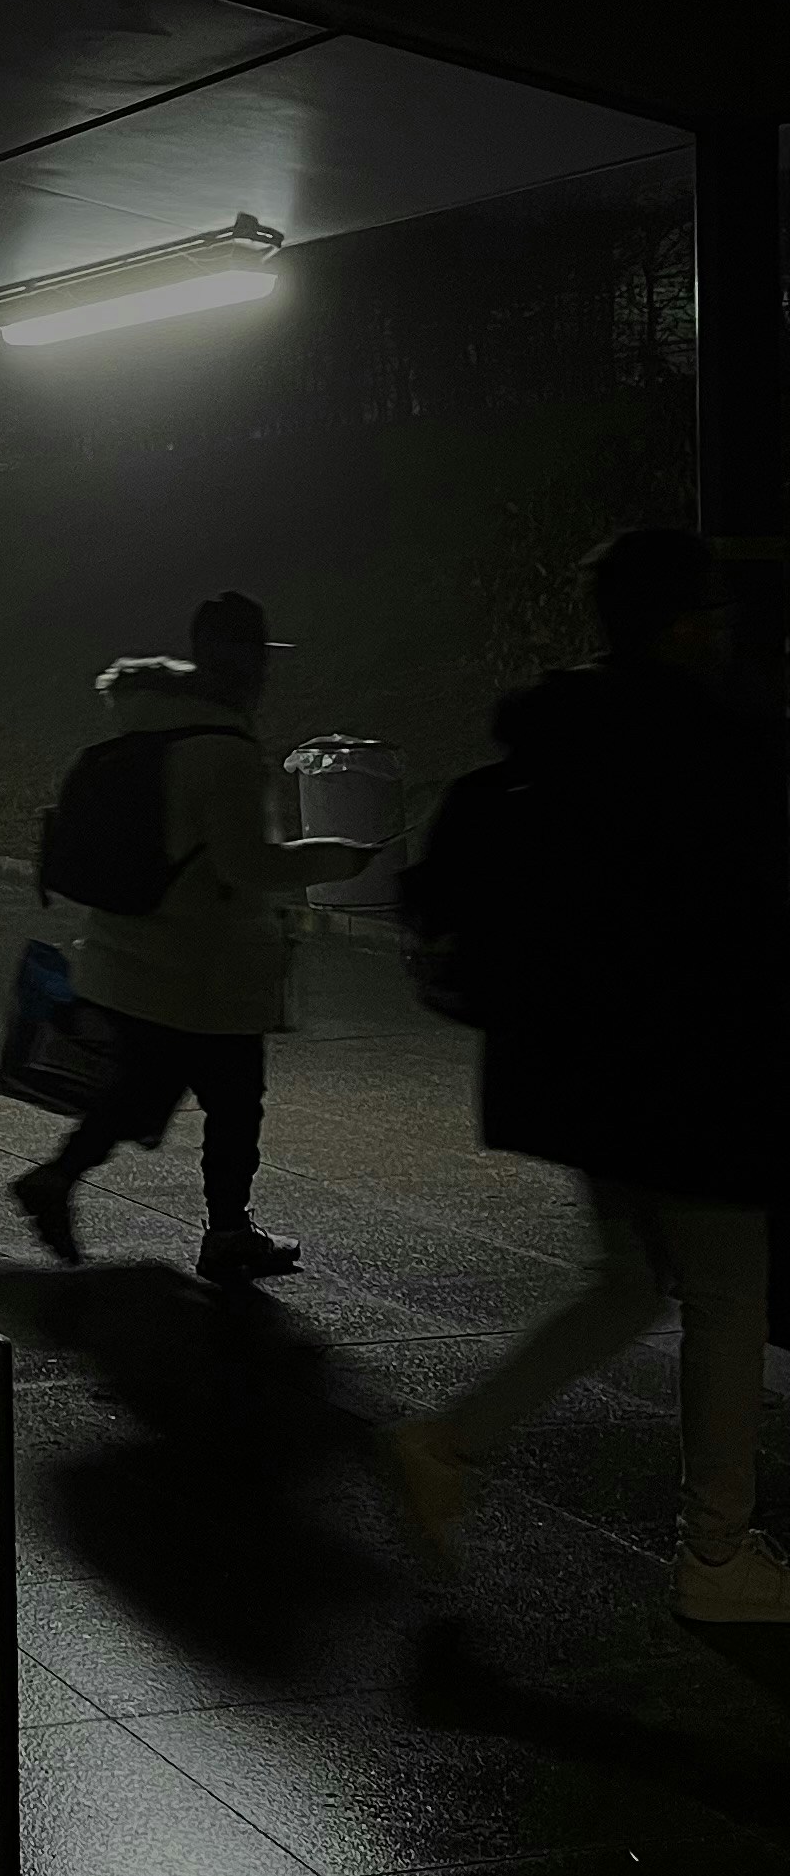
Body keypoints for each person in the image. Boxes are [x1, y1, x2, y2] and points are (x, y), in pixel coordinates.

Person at [387, 529, 790, 1621]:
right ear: (684, 623)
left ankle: (448, 1443)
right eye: (711, 607)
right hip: (702, 1079)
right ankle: (717, 1555)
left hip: (591, 1080)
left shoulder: (554, 739)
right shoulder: (722, 741)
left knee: (625, 1285)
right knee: (725, 1300)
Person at [10, 591, 372, 1284]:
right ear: (255, 665)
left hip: (129, 954)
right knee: (233, 1102)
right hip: (202, 969)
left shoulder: (147, 732)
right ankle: (224, 1232)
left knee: (146, 1090)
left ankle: (58, 1179)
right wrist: (339, 858)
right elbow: (247, 866)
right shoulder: (226, 753)